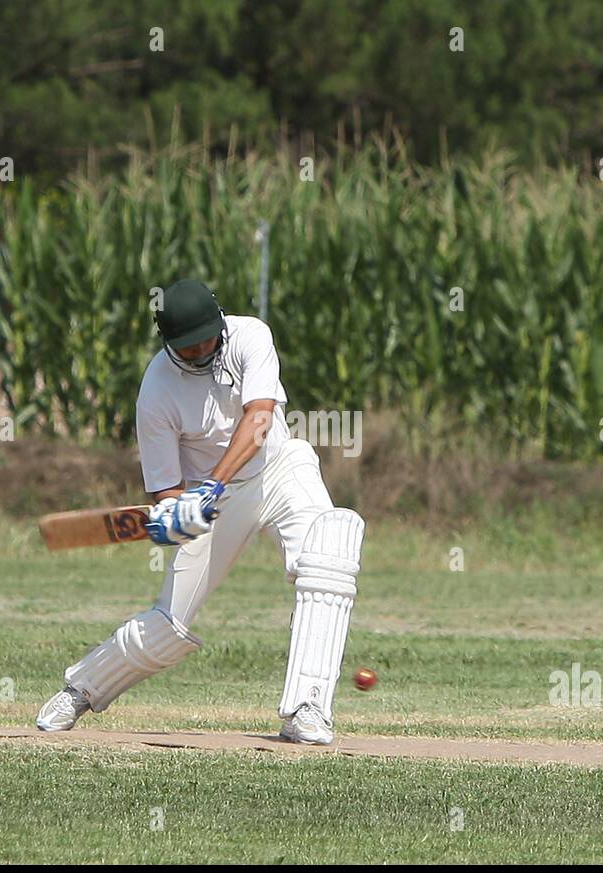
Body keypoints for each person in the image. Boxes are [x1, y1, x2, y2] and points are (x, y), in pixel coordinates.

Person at [36, 279, 365, 744]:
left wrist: (213, 483)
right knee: (170, 625)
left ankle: (307, 707)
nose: (200, 350)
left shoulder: (251, 335)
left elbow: (259, 419)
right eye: (187, 347)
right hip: (210, 503)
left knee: (328, 556)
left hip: (278, 467)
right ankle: (79, 689)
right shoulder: (156, 391)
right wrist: (175, 515)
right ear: (168, 342)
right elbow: (165, 490)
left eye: (207, 339)